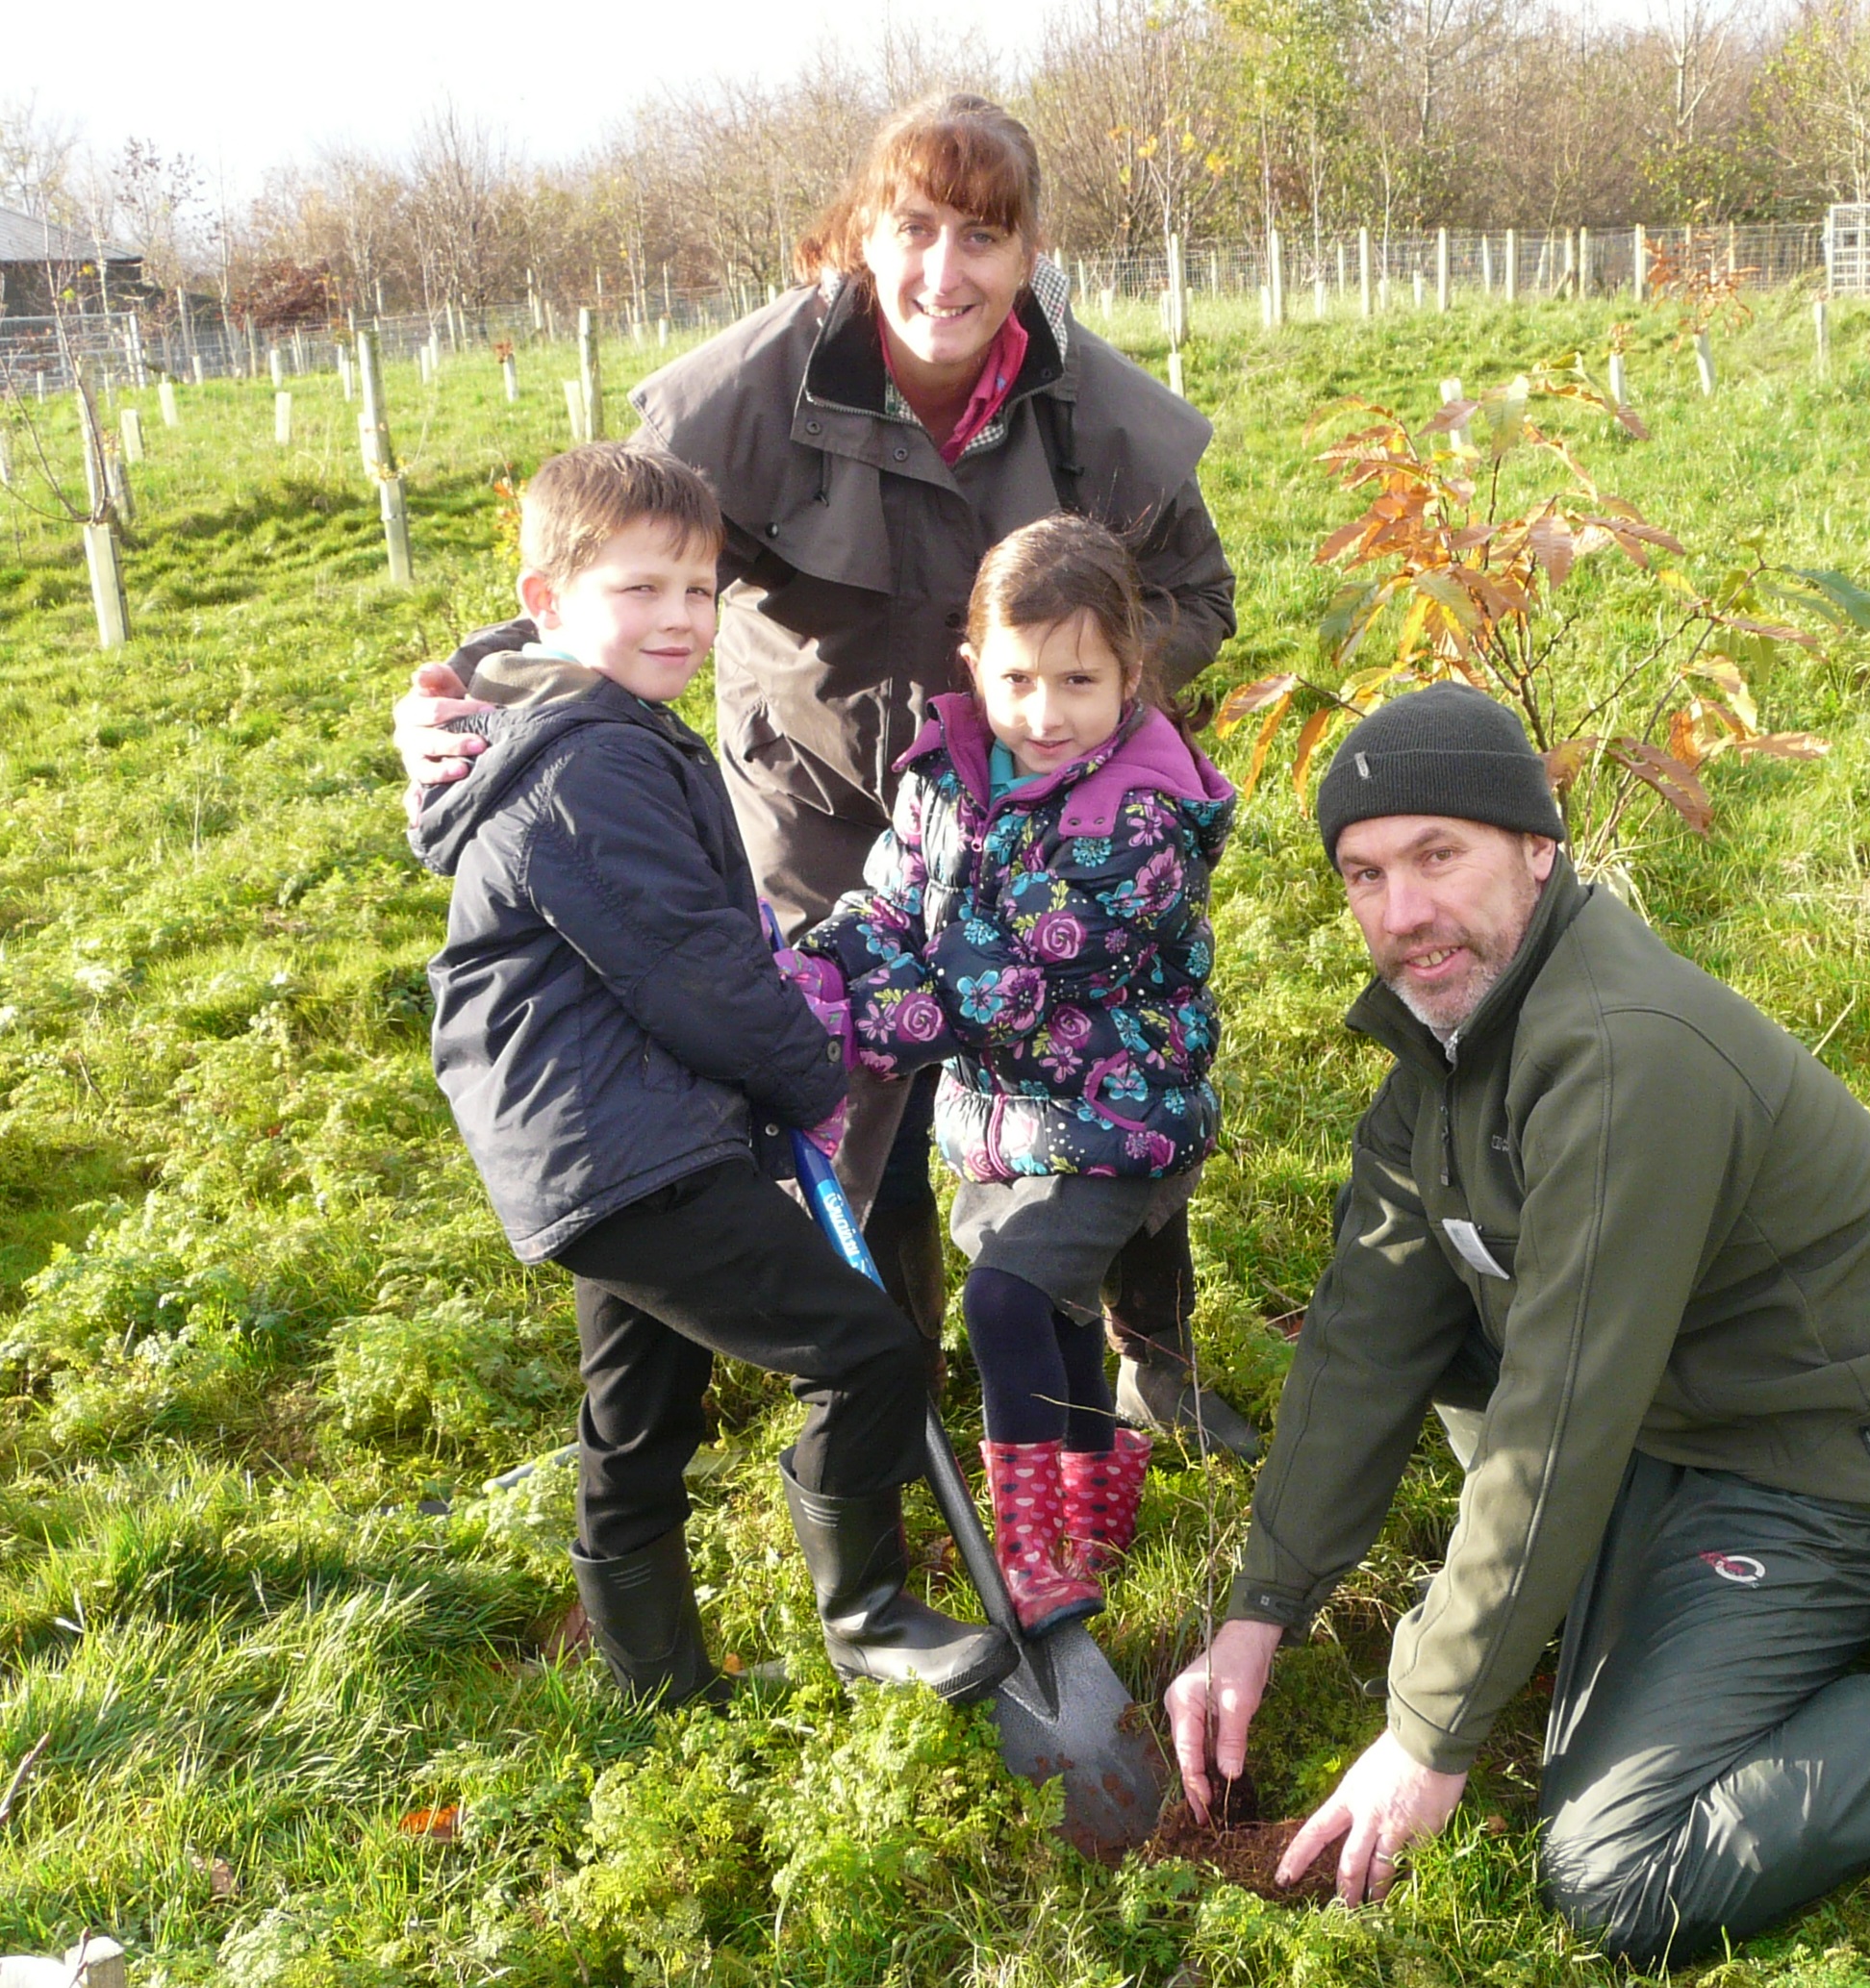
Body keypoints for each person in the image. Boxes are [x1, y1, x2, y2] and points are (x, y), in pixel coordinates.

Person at [1163, 686, 1870, 1964]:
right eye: (1364, 873)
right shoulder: (1446, 1051)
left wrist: (1425, 1734)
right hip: (1681, 1418)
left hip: (1834, 1463)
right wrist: (1262, 1604)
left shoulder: (1621, 1058)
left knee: (1620, 1866)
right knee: (1442, 1373)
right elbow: (1361, 1338)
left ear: (1537, 846)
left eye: (1438, 854)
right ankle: (1569, 1610)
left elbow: (1559, 1416)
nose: (1402, 914)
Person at [391, 94, 1261, 1458]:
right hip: (817, 808)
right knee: (850, 1094)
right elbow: (609, 570)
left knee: (1110, 1076)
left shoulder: (1096, 415)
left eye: (984, 234)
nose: (944, 270)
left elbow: (1198, 595)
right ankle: (889, 1391)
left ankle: (1147, 1353)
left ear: (1029, 252)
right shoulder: (741, 399)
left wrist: (1070, 695)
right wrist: (481, 681)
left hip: (1045, 817)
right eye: (914, 226)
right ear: (863, 231)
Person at [412, 441, 1016, 1710]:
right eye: (640, 589)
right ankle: (867, 1614)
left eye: (697, 589)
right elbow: (692, 971)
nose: (679, 617)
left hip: (609, 1141)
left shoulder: (582, 723)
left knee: (638, 1415)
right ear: (551, 597)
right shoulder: (588, 762)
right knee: (864, 1350)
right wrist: (811, 1079)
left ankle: (653, 1685)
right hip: (626, 1145)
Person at [795, 515, 1235, 1632]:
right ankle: (1094, 1500)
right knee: (1055, 1314)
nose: (1045, 714)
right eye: (1017, 678)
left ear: (1131, 673)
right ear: (972, 665)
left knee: (1000, 1300)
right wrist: (823, 962)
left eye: (1078, 680)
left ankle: (1033, 1549)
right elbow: (891, 903)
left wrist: (876, 1011)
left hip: (1117, 1118)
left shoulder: (1143, 816)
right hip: (1004, 1118)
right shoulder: (942, 776)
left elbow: (1020, 980)